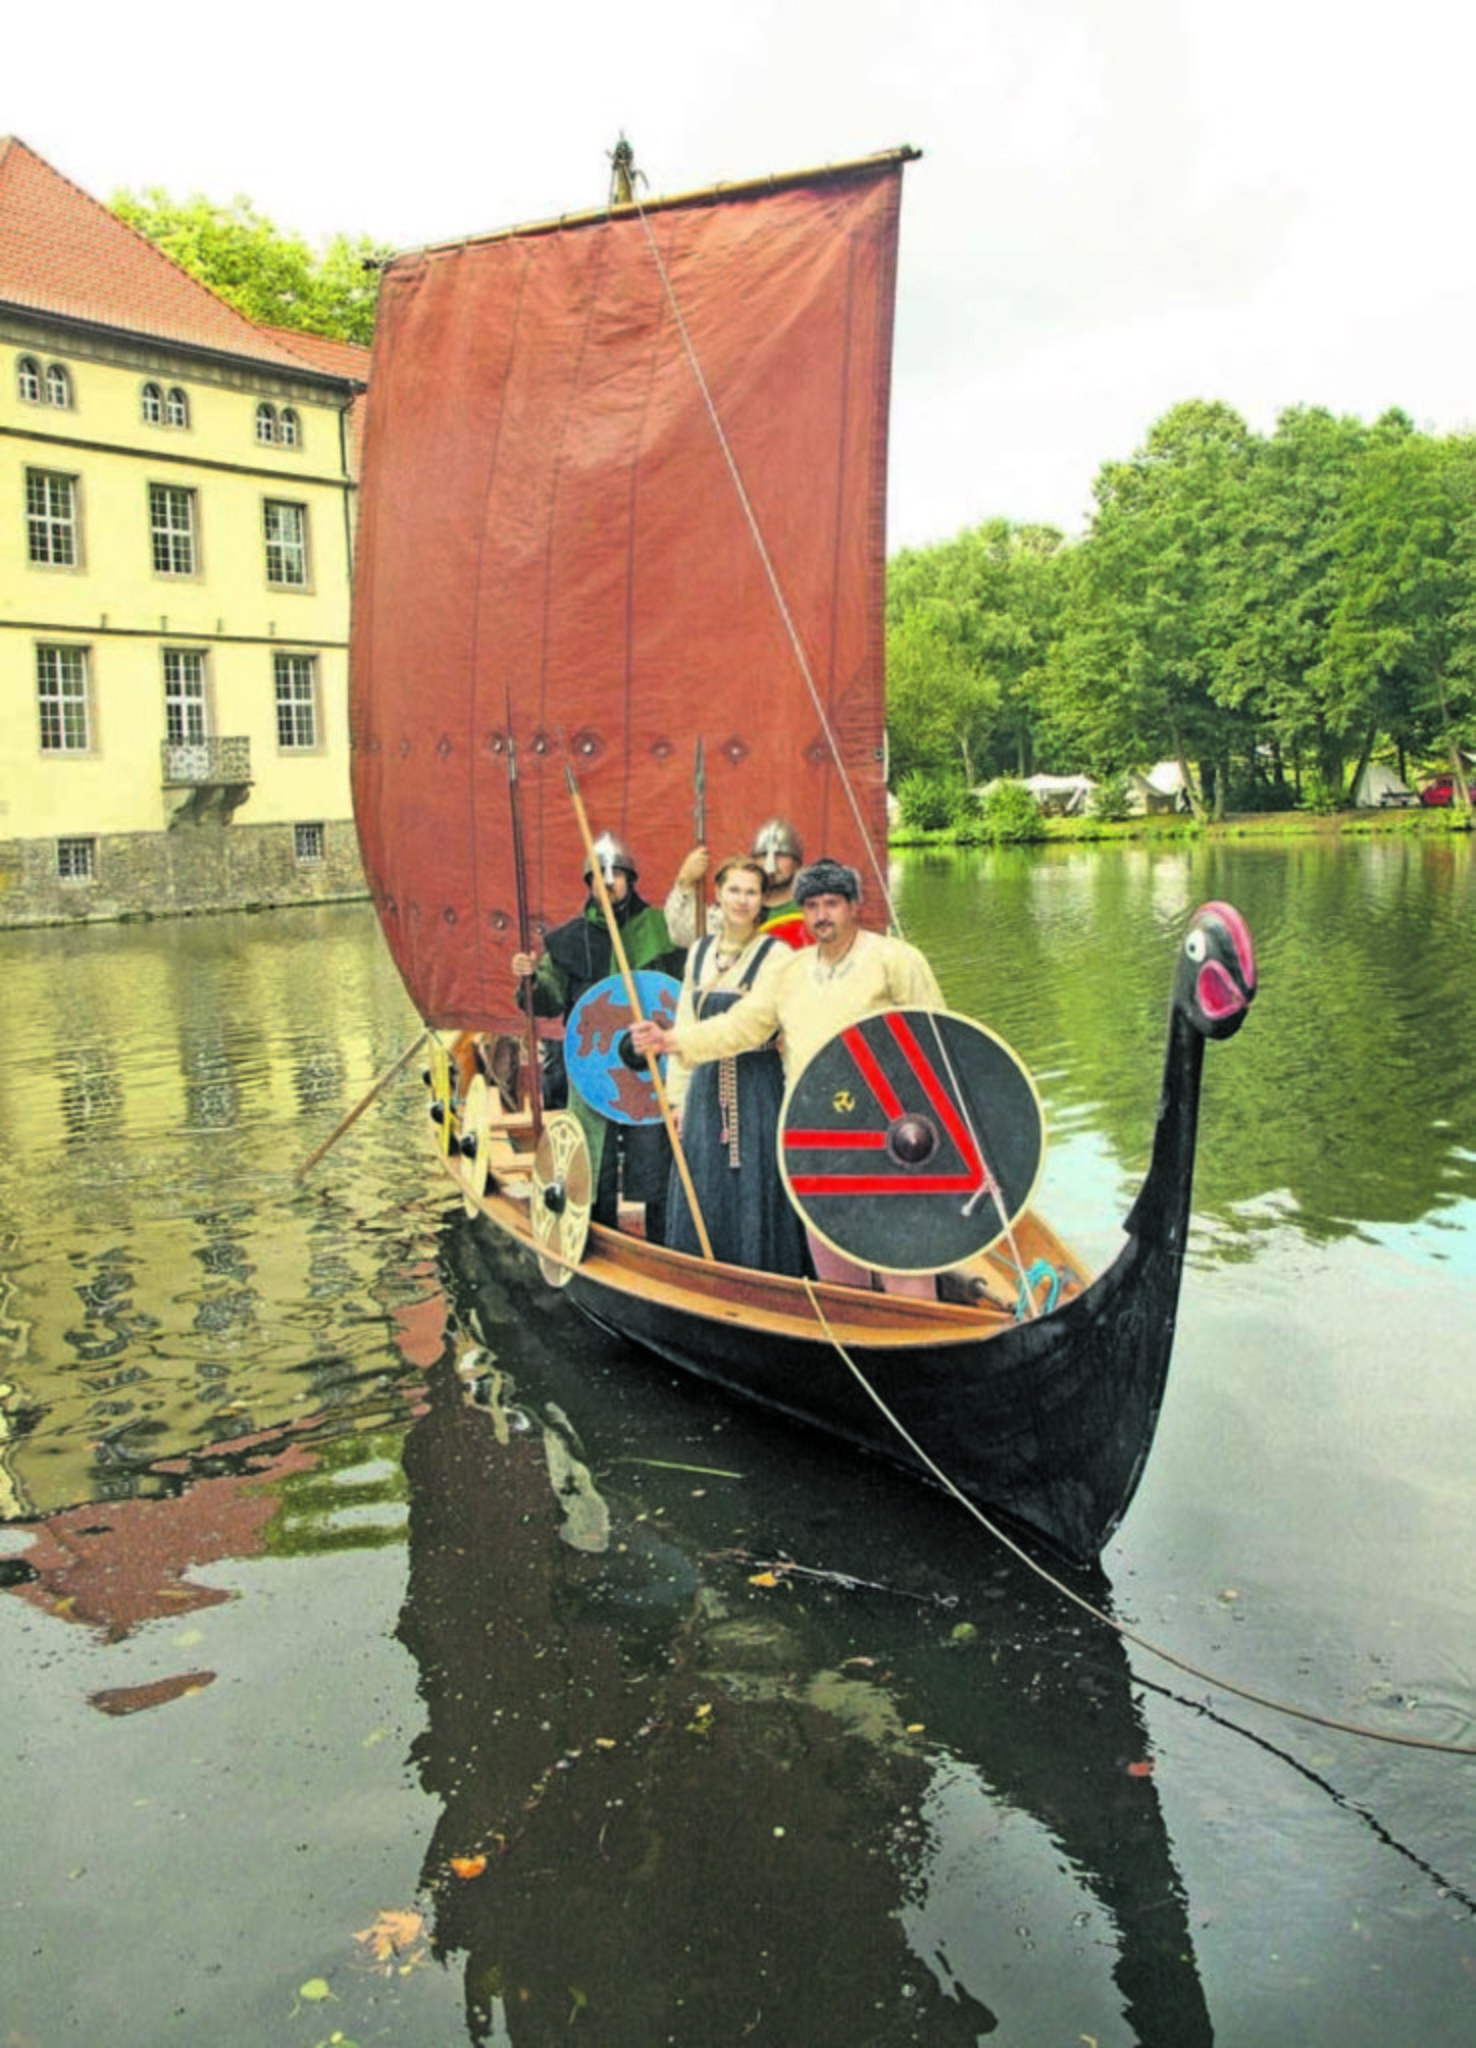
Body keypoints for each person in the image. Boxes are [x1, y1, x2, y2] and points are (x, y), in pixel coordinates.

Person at [633, 856, 943, 1295]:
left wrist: (943, 1127)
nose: (821, 915)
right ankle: (851, 1329)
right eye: (812, 905)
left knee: (897, 1248)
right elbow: (741, 1026)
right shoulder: (791, 971)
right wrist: (673, 1042)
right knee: (832, 1250)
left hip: (887, 1128)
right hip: (815, 1129)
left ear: (853, 905)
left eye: (832, 903)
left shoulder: (895, 960)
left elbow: (937, 1041)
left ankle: (922, 1341)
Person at [511, 832, 688, 1243]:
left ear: (630, 879)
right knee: (593, 1155)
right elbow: (551, 1000)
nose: (608, 884)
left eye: (616, 876)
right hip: (592, 1066)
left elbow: (682, 992)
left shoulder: (659, 928)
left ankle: (662, 1242)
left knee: (655, 1155)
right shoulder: (568, 939)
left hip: (651, 1061)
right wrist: (530, 980)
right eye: (599, 878)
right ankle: (599, 1238)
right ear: (588, 884)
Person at [663, 855, 808, 1276]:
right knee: (705, 1178)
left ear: (763, 900)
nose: (742, 900)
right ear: (719, 895)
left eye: (751, 892)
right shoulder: (700, 951)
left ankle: (764, 1278)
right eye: (734, 890)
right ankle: (704, 1276)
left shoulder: (777, 955)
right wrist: (678, 1099)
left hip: (756, 1083)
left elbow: (752, 1024)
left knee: (754, 1182)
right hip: (706, 1086)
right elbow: (686, 1023)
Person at [750, 817, 811, 949]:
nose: (770, 864)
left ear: (797, 863)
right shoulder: (741, 907)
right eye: (763, 855)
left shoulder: (812, 910)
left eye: (781, 855)